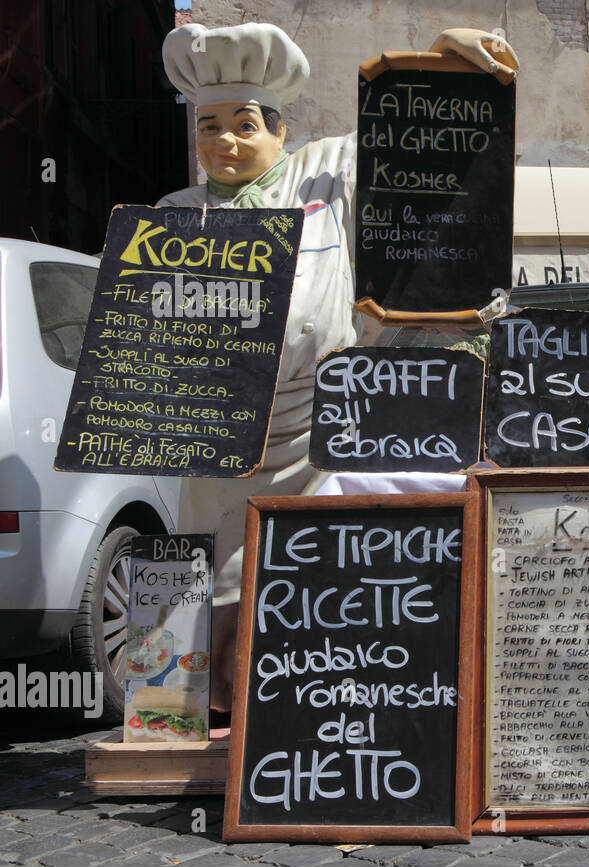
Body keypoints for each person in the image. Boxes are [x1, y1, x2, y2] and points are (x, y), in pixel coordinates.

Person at [158, 22, 518, 710]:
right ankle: (225, 721)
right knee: (225, 575)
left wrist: (448, 67)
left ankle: (310, 711)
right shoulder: (176, 213)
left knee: (315, 578)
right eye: (209, 128)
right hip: (219, 439)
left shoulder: (323, 175)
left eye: (243, 125)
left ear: (279, 130)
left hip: (322, 430)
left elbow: (412, 141)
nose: (225, 143)